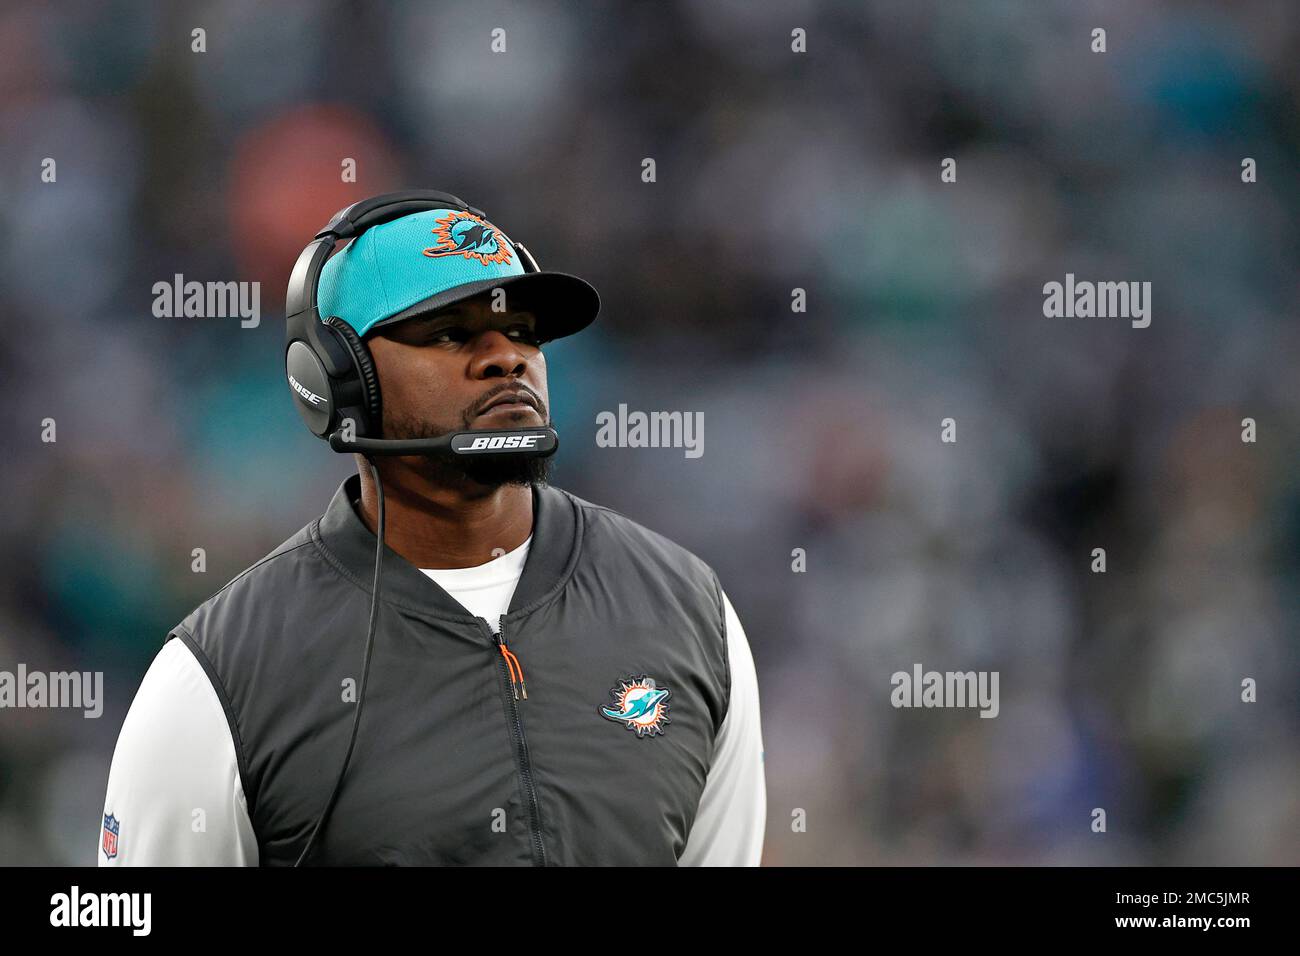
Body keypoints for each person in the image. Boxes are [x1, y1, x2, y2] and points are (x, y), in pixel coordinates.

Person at [98, 194, 765, 866]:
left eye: (525, 331)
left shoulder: (690, 614)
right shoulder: (219, 677)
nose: (507, 359)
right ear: (339, 379)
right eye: (450, 333)